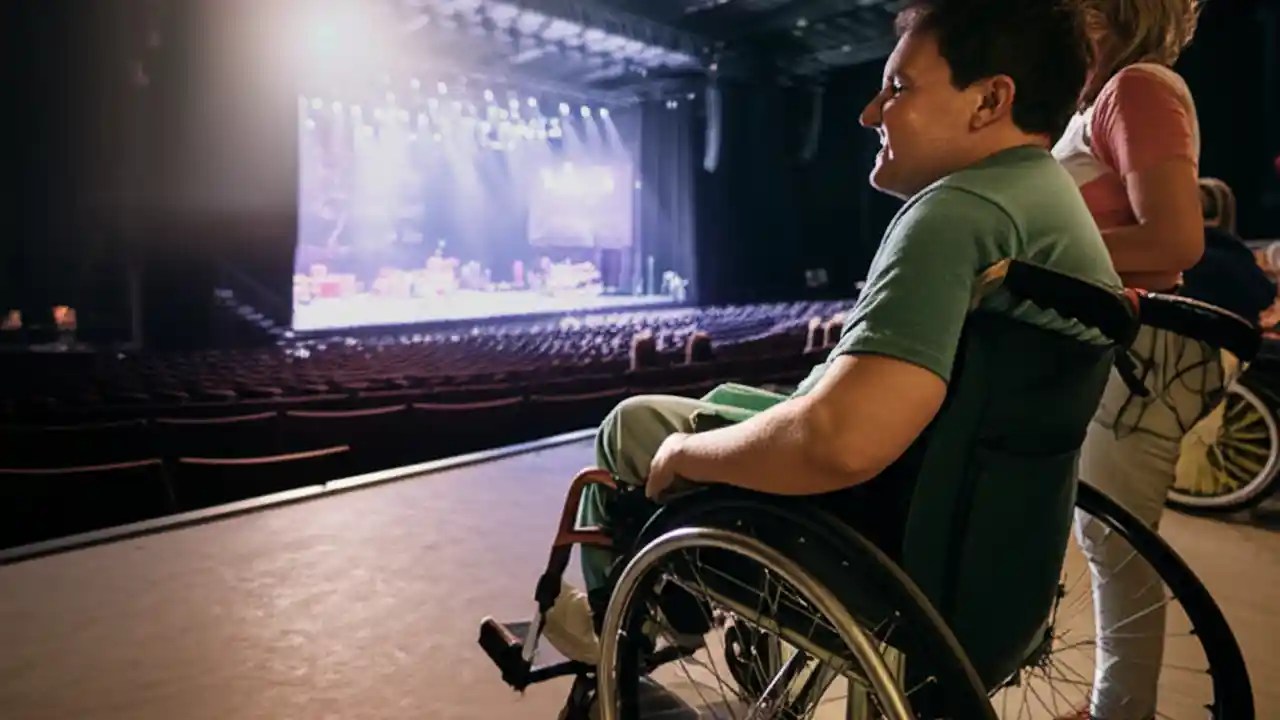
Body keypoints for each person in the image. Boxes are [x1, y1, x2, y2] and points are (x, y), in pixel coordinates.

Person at [540, 0, 1121, 672]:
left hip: (887, 535)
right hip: (993, 545)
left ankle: (630, 630)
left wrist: (684, 454)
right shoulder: (1050, 202)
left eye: (898, 89)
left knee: (634, 425)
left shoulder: (957, 212)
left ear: (989, 100)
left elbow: (842, 442)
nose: (870, 113)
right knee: (738, 401)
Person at [1050, 1, 1212, 718]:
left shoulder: (1136, 87)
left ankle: (1119, 712)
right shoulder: (1110, 95)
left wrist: (1029, 258)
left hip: (1138, 356)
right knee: (1110, 544)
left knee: (1118, 550)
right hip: (1119, 354)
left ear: (1098, 14)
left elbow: (1174, 243)